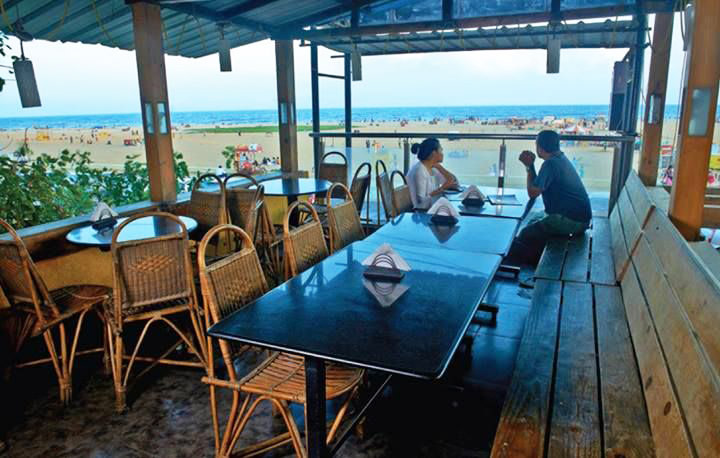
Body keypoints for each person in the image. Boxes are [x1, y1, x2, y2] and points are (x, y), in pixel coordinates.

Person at [506, 130, 592, 273]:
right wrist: (531, 166)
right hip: (580, 219)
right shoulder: (560, 158)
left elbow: (532, 193)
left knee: (525, 235)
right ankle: (534, 259)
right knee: (531, 221)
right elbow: (536, 187)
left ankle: (531, 266)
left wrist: (529, 166)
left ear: (540, 148)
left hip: (572, 221)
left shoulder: (550, 164)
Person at [406, 137, 458, 210]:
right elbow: (421, 203)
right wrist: (442, 188)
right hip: (422, 212)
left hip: (433, 207)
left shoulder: (433, 168)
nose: (442, 154)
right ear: (434, 153)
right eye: (441, 150)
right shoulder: (419, 171)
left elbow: (454, 182)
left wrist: (440, 167)